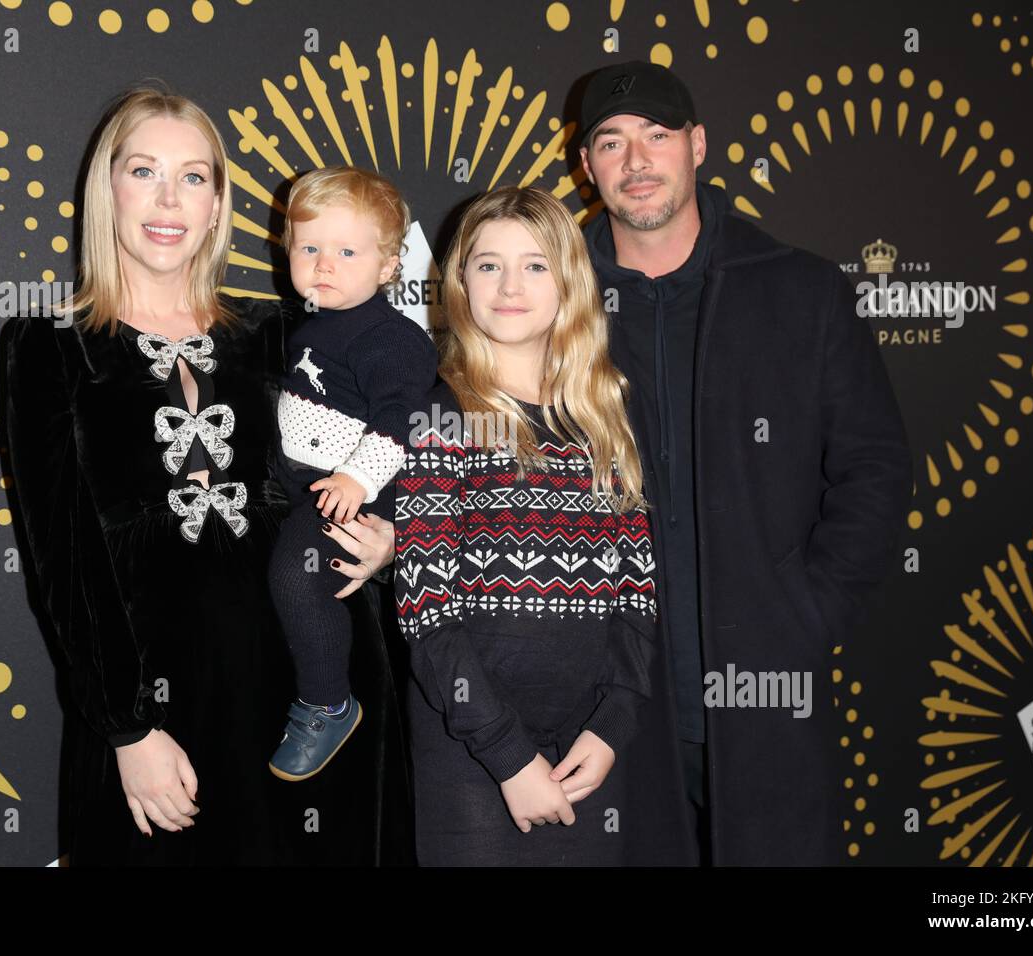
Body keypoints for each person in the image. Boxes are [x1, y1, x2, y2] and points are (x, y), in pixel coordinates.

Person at [2, 87, 402, 866]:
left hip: (304, 688)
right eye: (144, 170)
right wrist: (126, 727)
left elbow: (385, 439)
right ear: (105, 188)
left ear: (218, 204)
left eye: (193, 178)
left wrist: (390, 536)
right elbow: (63, 557)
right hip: (155, 700)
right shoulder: (50, 347)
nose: (167, 199)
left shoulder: (282, 332)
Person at [577, 60, 913, 864]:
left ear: (698, 145)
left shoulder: (801, 291)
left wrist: (805, 612)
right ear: (586, 165)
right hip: (603, 704)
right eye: (612, 141)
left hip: (766, 694)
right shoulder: (548, 298)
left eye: (657, 136)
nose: (637, 161)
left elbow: (875, 465)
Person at [393, 185, 659, 865]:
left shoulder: (604, 423)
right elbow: (427, 614)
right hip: (473, 761)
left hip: (590, 754)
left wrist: (611, 728)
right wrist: (509, 759)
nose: (510, 286)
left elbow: (638, 601)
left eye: (535, 265)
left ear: (568, 281)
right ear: (460, 282)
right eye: (488, 265)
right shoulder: (441, 417)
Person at [266, 167, 437, 781]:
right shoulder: (313, 325)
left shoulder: (390, 338)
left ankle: (327, 703)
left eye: (346, 251)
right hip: (308, 487)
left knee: (295, 575)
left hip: (359, 496)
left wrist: (358, 481)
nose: (324, 265)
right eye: (309, 248)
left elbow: (403, 418)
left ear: (389, 265)